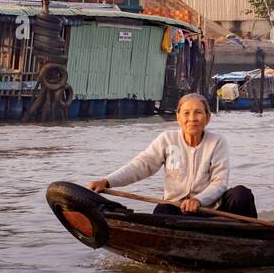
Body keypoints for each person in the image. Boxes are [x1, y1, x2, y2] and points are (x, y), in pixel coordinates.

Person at [88, 93, 257, 217]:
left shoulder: (217, 142)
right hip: (174, 207)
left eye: (198, 112)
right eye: (186, 113)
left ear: (208, 118)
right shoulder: (167, 140)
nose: (192, 118)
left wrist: (198, 200)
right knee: (161, 213)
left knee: (242, 194)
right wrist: (107, 181)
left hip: (209, 209)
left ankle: (254, 241)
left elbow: (219, 183)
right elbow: (141, 166)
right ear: (178, 117)